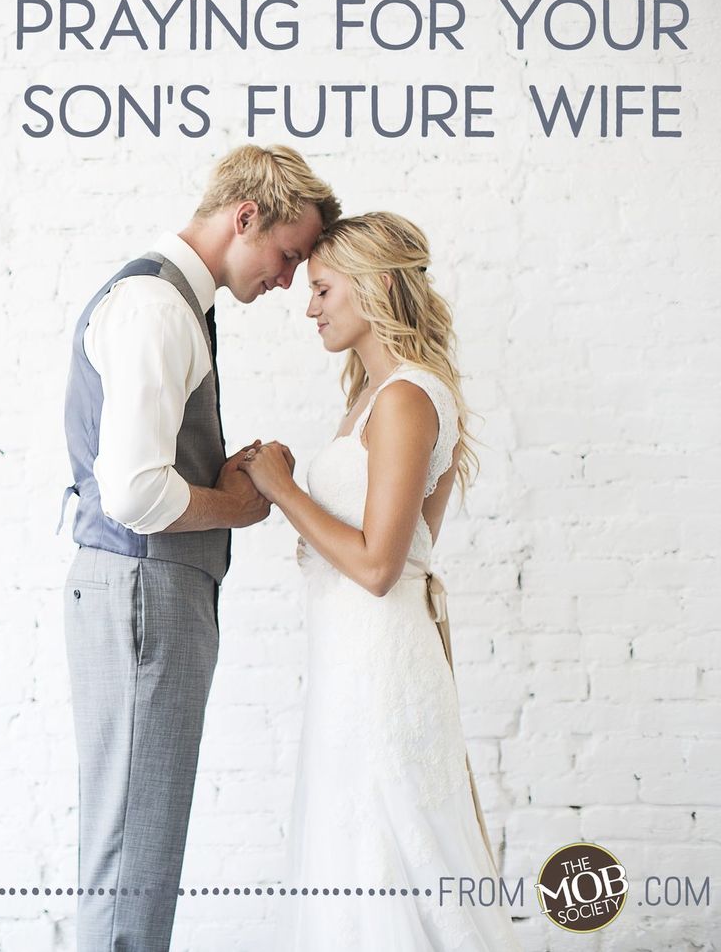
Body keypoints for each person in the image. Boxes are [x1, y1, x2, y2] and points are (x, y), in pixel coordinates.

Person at [58, 144, 341, 952]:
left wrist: (212, 481)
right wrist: (239, 506)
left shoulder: (173, 303)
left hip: (141, 593)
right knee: (132, 853)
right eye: (288, 257)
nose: (287, 281)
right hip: (142, 592)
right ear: (245, 216)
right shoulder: (156, 306)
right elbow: (136, 494)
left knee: (132, 843)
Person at [239, 212, 522, 950]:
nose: (310, 307)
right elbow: (406, 546)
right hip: (354, 659)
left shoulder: (404, 397)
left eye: (325, 288)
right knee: (358, 852)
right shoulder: (375, 395)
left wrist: (284, 489)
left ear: (377, 286)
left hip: (380, 666)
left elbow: (378, 565)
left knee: (387, 848)